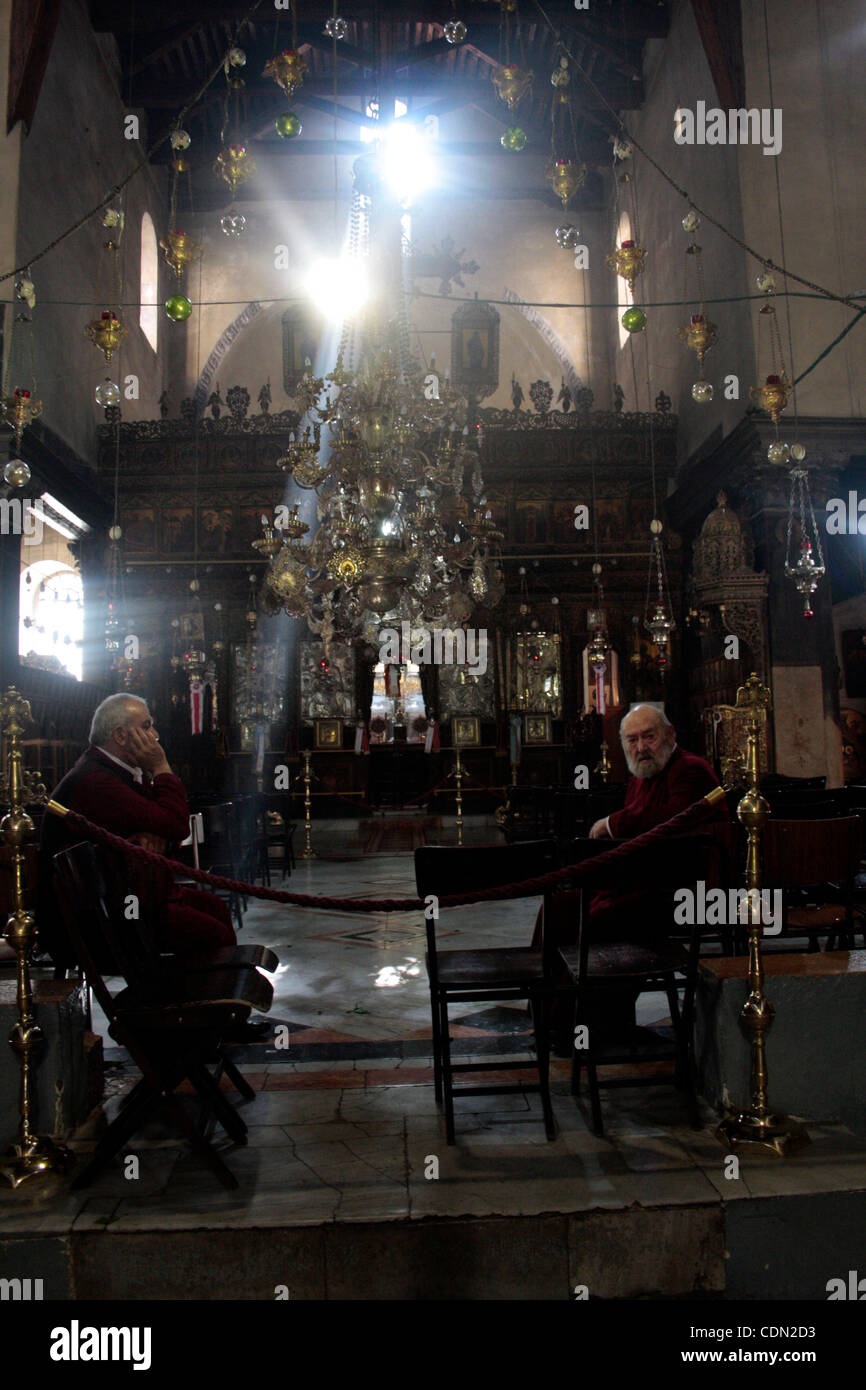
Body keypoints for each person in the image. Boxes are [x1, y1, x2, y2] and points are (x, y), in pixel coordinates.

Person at [39, 693, 236, 966]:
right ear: (120, 735)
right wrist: (161, 767)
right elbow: (177, 825)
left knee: (216, 909)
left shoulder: (118, 771)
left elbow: (168, 833)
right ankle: (194, 1002)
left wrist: (156, 834)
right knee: (212, 934)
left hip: (134, 895)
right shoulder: (97, 780)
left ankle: (213, 1001)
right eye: (146, 726)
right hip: (107, 916)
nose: (154, 735)